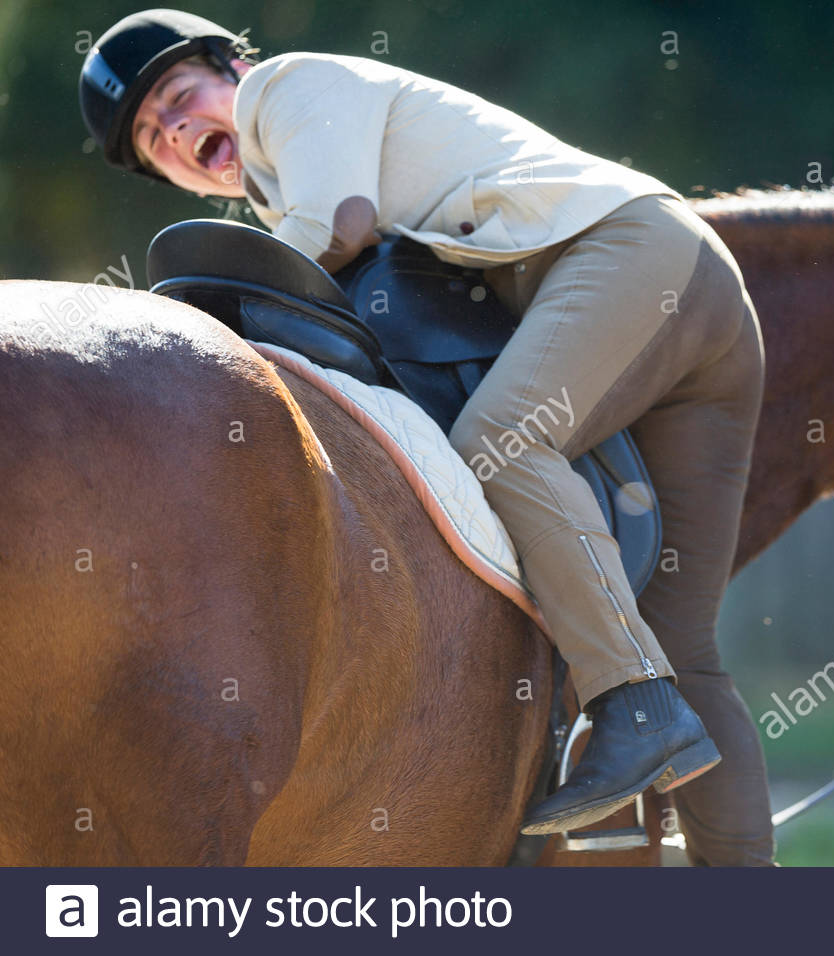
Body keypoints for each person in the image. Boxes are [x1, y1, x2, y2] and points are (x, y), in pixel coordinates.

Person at [80, 8, 774, 864]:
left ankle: (633, 700)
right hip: (695, 314)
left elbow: (338, 225)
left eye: (181, 96)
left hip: (635, 253)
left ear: (234, 68)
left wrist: (179, 334)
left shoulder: (287, 87)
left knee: (500, 441)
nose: (177, 129)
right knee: (687, 649)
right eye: (153, 138)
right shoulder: (274, 187)